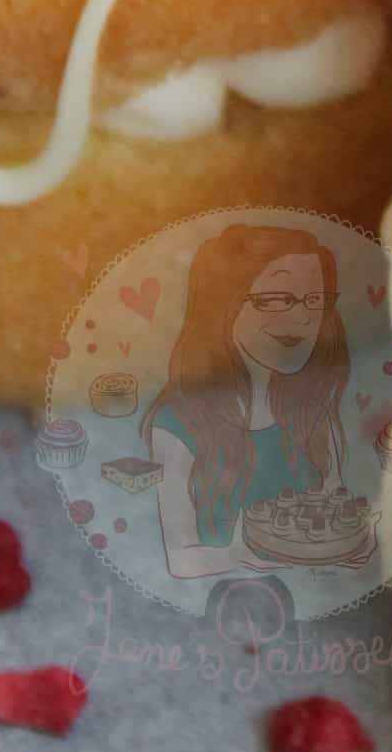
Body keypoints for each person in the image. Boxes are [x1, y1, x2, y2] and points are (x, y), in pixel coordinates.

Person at [145, 224, 353, 586]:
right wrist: (241, 555)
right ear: (225, 303)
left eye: (314, 299)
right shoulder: (178, 425)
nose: (305, 317)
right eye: (277, 299)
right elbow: (181, 558)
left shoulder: (311, 411)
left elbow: (336, 506)